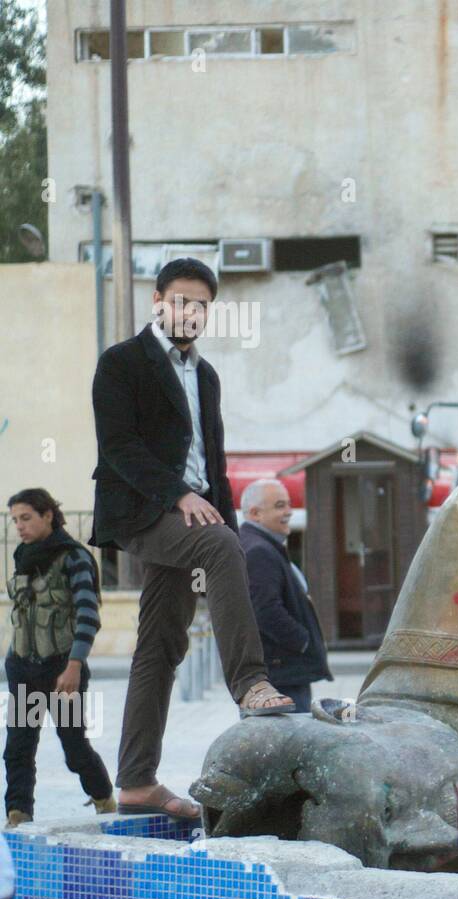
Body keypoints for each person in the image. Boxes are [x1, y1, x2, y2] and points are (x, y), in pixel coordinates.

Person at [90, 257, 295, 821]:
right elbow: (119, 448)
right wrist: (179, 495)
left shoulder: (205, 375)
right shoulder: (122, 364)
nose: (190, 312)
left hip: (196, 512)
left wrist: (225, 518)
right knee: (216, 546)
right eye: (180, 300)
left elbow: (216, 463)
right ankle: (250, 683)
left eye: (201, 304)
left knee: (161, 644)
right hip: (143, 509)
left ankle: (134, 781)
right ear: (158, 300)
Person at [5, 489, 115, 827]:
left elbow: (88, 615)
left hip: (61, 667)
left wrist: (74, 665)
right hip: (24, 666)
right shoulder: (23, 556)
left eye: (26, 518)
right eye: (14, 520)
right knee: (18, 748)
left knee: (74, 748)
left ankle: (104, 799)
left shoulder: (74, 557)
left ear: (48, 515)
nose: (19, 527)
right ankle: (18, 814)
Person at [238, 479, 331, 713]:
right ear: (255, 513)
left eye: (289, 504)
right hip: (281, 676)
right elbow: (265, 610)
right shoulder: (259, 551)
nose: (289, 511)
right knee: (289, 747)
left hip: (281, 673)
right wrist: (303, 641)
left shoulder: (261, 545)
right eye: (280, 505)